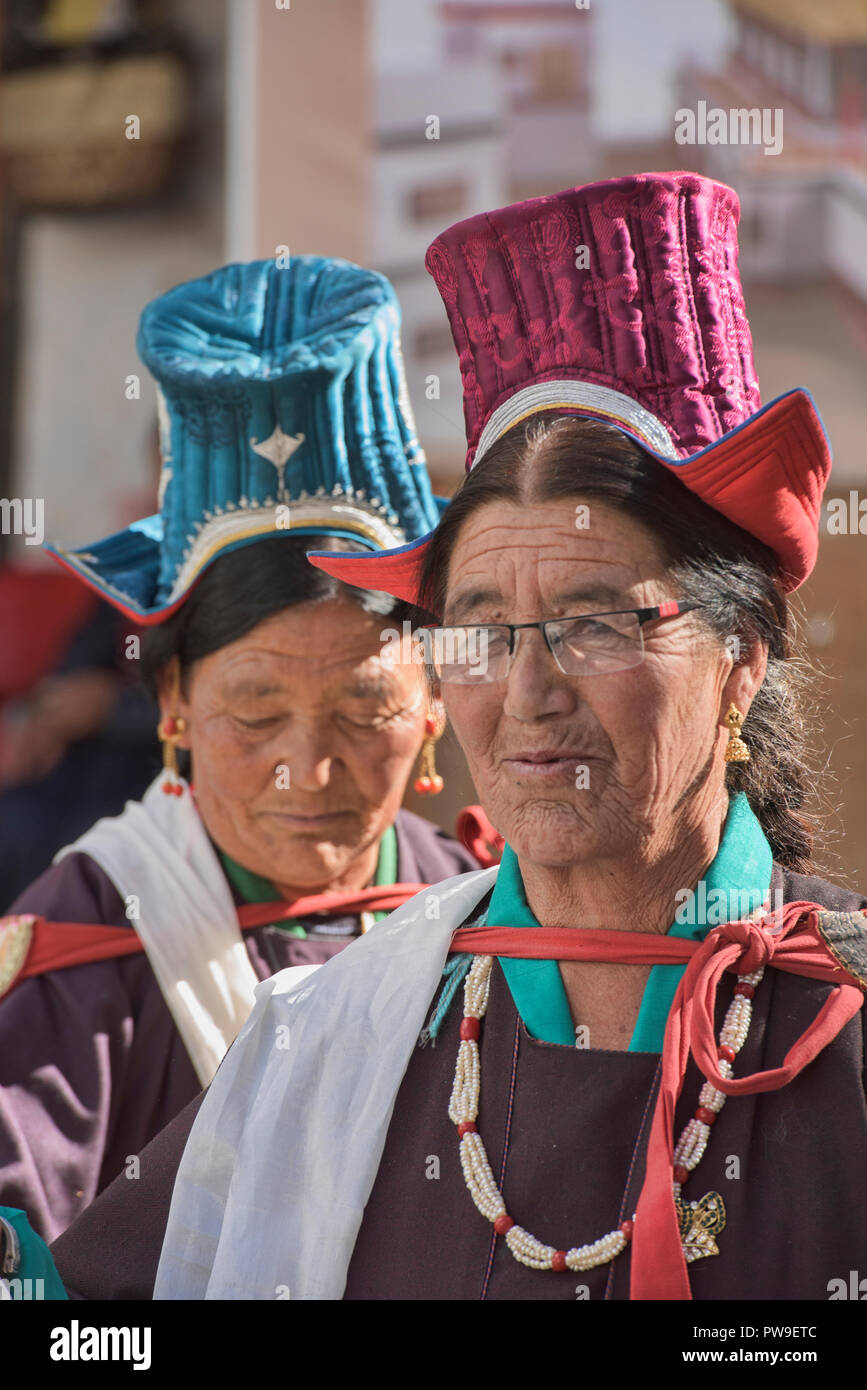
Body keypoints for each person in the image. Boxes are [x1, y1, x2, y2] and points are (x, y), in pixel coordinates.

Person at [50, 172, 866, 1301]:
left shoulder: (844, 1015)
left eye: (594, 624)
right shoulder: (334, 1036)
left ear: (741, 659)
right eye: (480, 631)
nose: (528, 691)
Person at [0, 255, 479, 1244]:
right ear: (172, 700)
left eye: (361, 708)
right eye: (255, 713)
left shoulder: (478, 916)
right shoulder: (86, 937)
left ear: (433, 697)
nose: (307, 764)